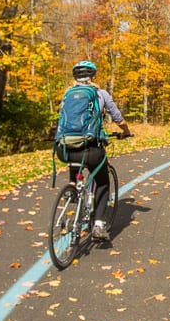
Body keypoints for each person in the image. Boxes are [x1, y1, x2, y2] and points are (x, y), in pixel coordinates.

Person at [56, 60, 131, 240]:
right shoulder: (100, 93)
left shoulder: (67, 95)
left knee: (76, 165)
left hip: (64, 148)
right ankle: (98, 224)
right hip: (90, 149)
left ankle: (73, 191)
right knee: (103, 181)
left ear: (76, 77)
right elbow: (118, 119)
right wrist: (126, 132)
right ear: (93, 76)